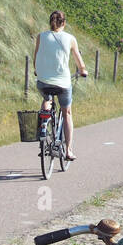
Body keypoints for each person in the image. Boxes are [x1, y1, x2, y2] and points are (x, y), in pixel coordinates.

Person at [33, 10, 88, 160]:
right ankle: (68, 150)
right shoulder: (70, 39)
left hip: (43, 82)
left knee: (47, 100)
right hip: (63, 83)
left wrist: (38, 71)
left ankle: (43, 132)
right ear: (64, 23)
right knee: (67, 112)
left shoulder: (41, 37)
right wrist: (83, 71)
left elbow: (36, 57)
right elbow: (79, 62)